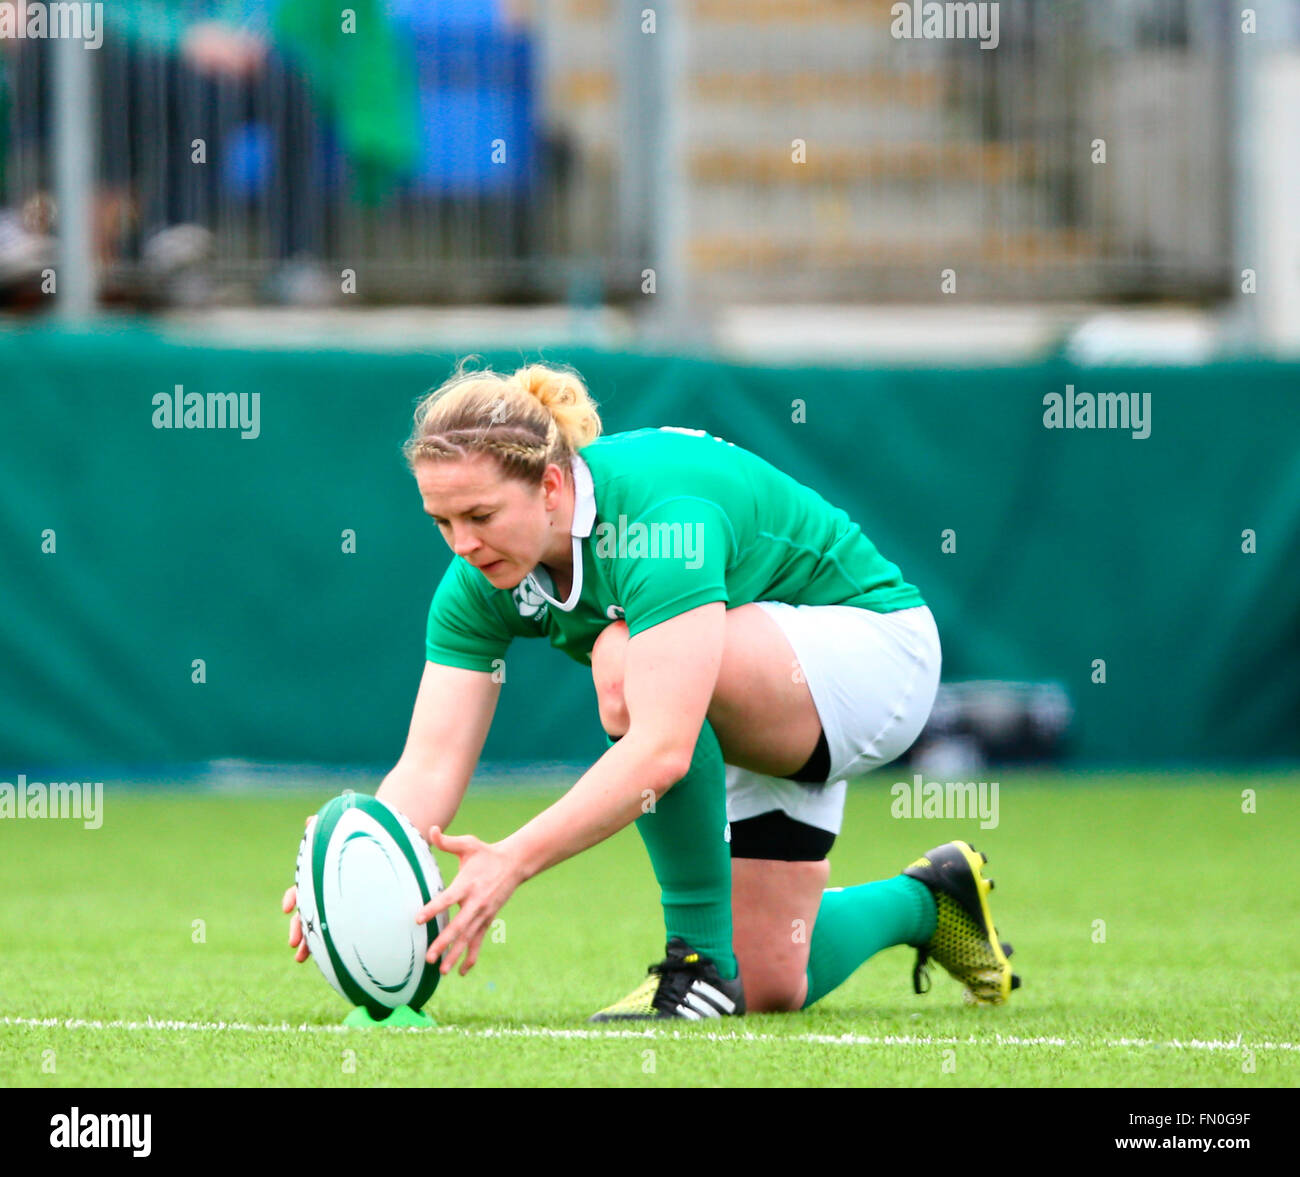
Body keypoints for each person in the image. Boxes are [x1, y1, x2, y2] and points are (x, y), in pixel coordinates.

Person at [282, 360, 1020, 1019]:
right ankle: (932, 899)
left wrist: (511, 858)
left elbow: (665, 748)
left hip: (871, 655)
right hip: (743, 679)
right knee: (769, 981)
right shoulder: (477, 581)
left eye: (479, 515)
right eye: (441, 521)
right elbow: (433, 761)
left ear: (549, 484)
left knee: (621, 656)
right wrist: (354, 869)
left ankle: (696, 962)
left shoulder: (657, 522)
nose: (462, 544)